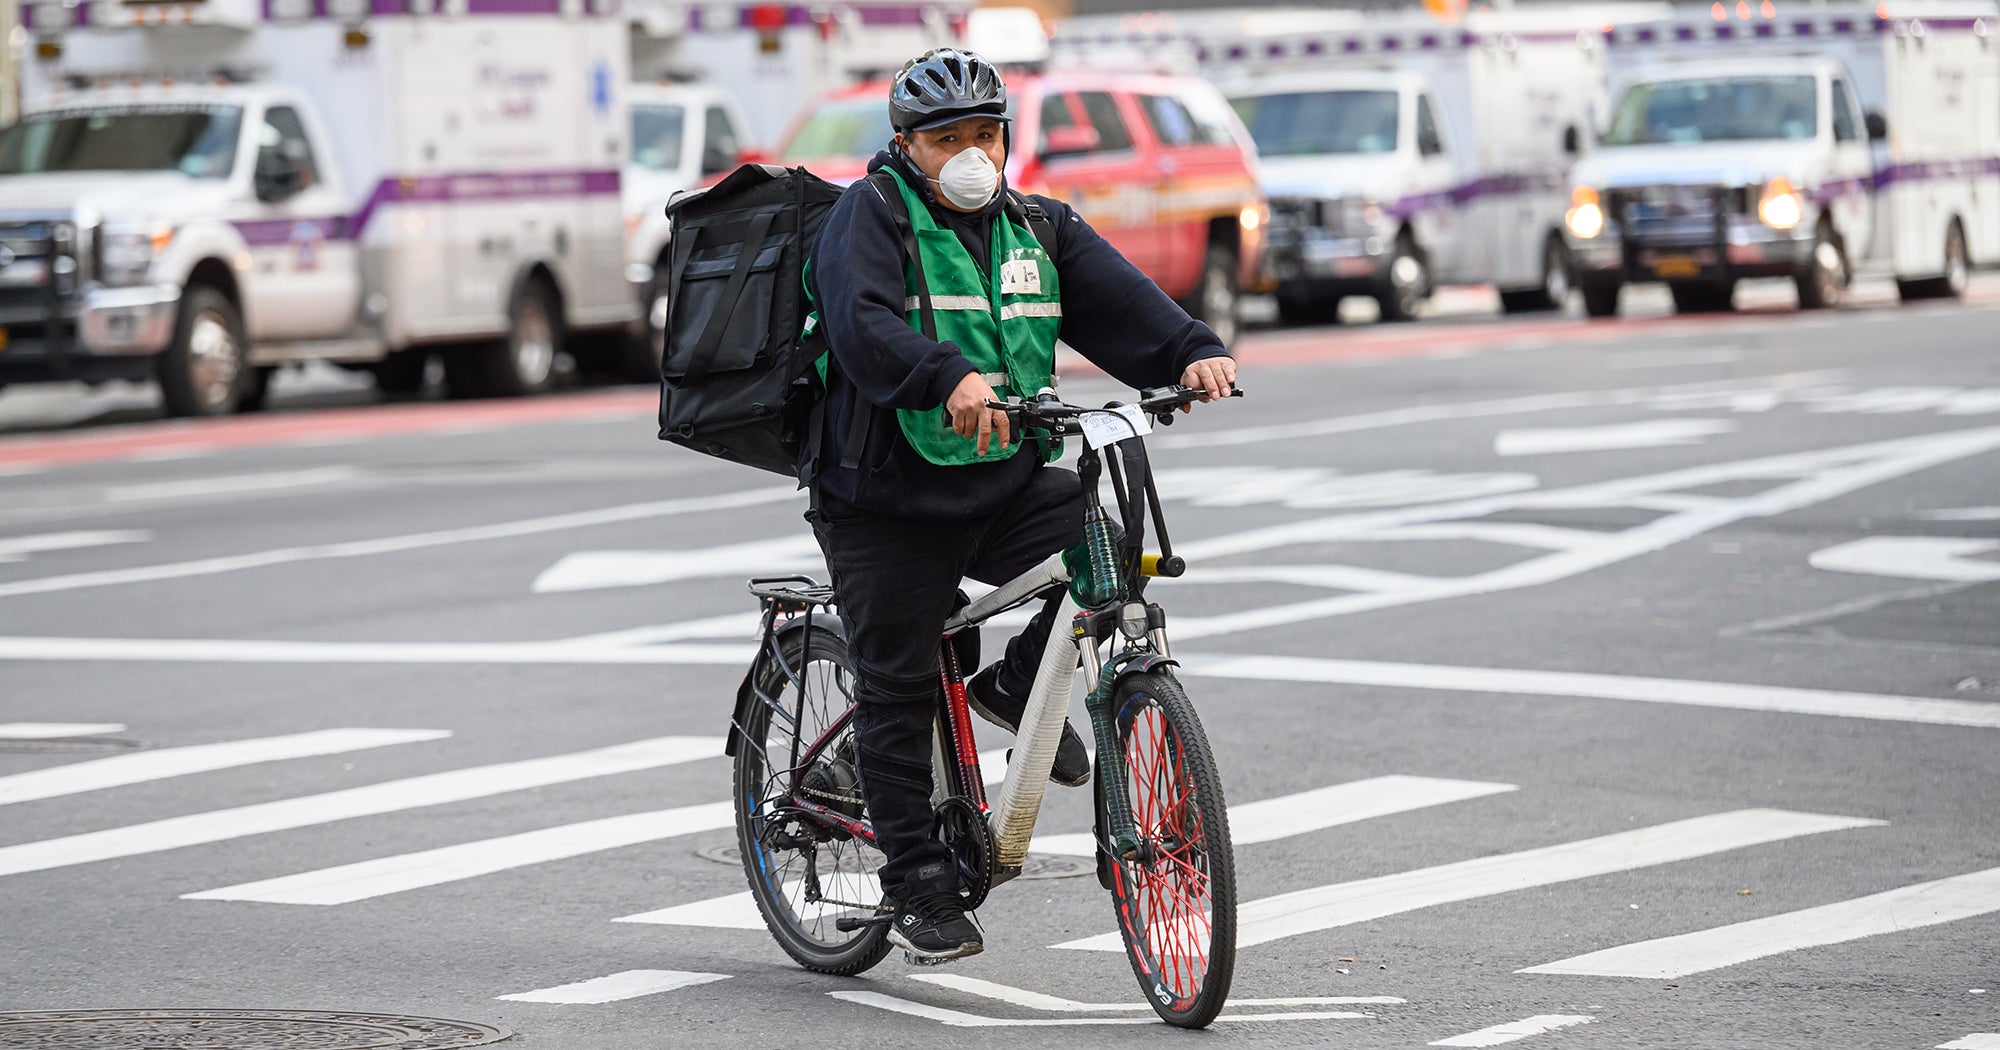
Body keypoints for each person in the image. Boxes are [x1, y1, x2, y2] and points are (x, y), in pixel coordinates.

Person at [804, 47, 1237, 963]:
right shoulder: (866, 216)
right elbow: (861, 326)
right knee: (900, 679)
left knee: (1104, 555)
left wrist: (1190, 351)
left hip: (999, 476)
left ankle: (1009, 687)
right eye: (946, 138)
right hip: (885, 494)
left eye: (985, 135)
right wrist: (944, 374)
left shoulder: (1038, 224)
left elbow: (1120, 303)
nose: (971, 154)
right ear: (906, 146)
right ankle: (917, 882)